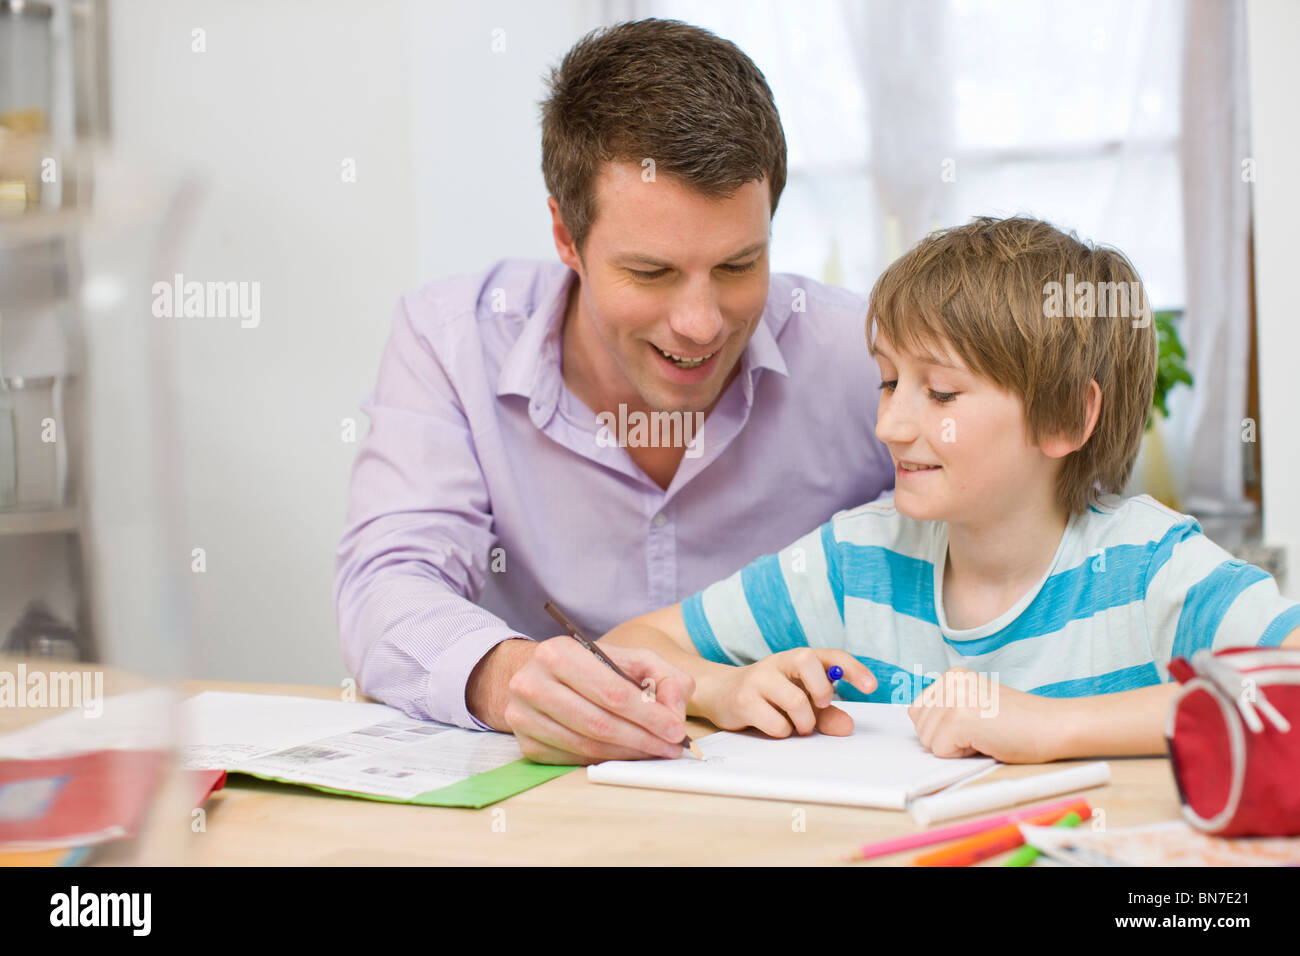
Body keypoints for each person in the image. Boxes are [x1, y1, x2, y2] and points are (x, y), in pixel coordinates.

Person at [333, 19, 894, 765]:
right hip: (549, 801)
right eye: (651, 273)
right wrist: (509, 678)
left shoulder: (863, 353)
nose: (699, 325)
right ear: (566, 237)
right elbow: (387, 584)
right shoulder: (451, 341)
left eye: (737, 265)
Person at [599, 215, 1300, 764]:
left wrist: (1053, 726)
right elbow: (631, 643)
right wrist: (723, 689)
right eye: (888, 381)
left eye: (939, 392)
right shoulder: (858, 559)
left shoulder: (1149, 566)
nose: (890, 424)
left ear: (1065, 417)